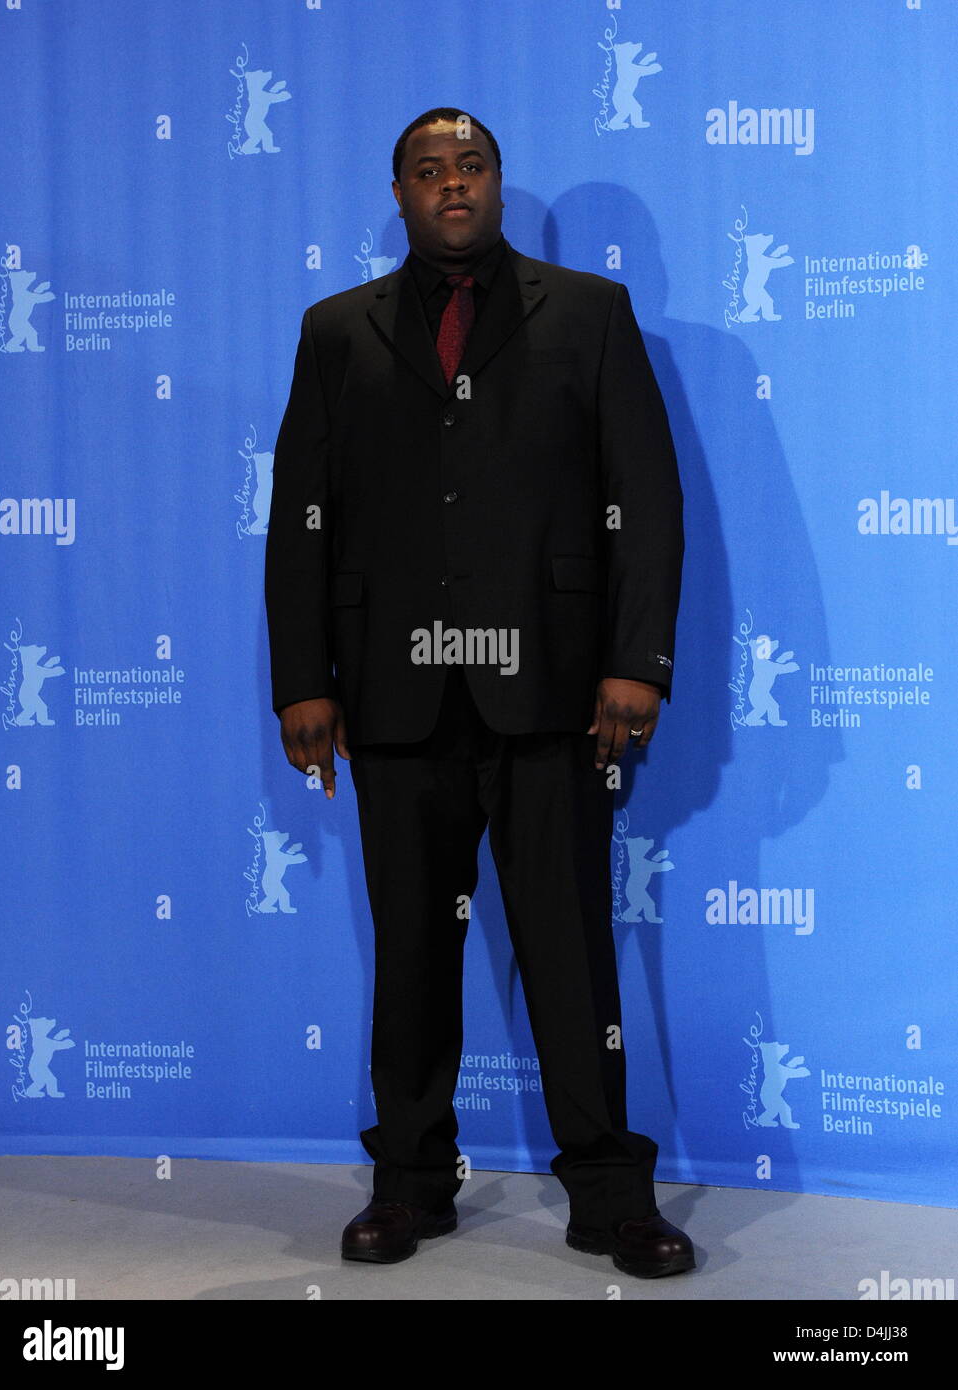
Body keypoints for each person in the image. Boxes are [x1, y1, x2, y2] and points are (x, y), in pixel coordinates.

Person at [264, 108, 692, 1279]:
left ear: (499, 185)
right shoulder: (335, 332)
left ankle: (608, 1192)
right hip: (395, 702)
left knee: (571, 953)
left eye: (473, 166)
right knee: (409, 954)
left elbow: (644, 501)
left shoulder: (588, 315)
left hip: (555, 693)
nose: (452, 184)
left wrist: (633, 659)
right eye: (428, 170)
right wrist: (303, 679)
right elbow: (302, 521)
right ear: (396, 193)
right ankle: (408, 1186)